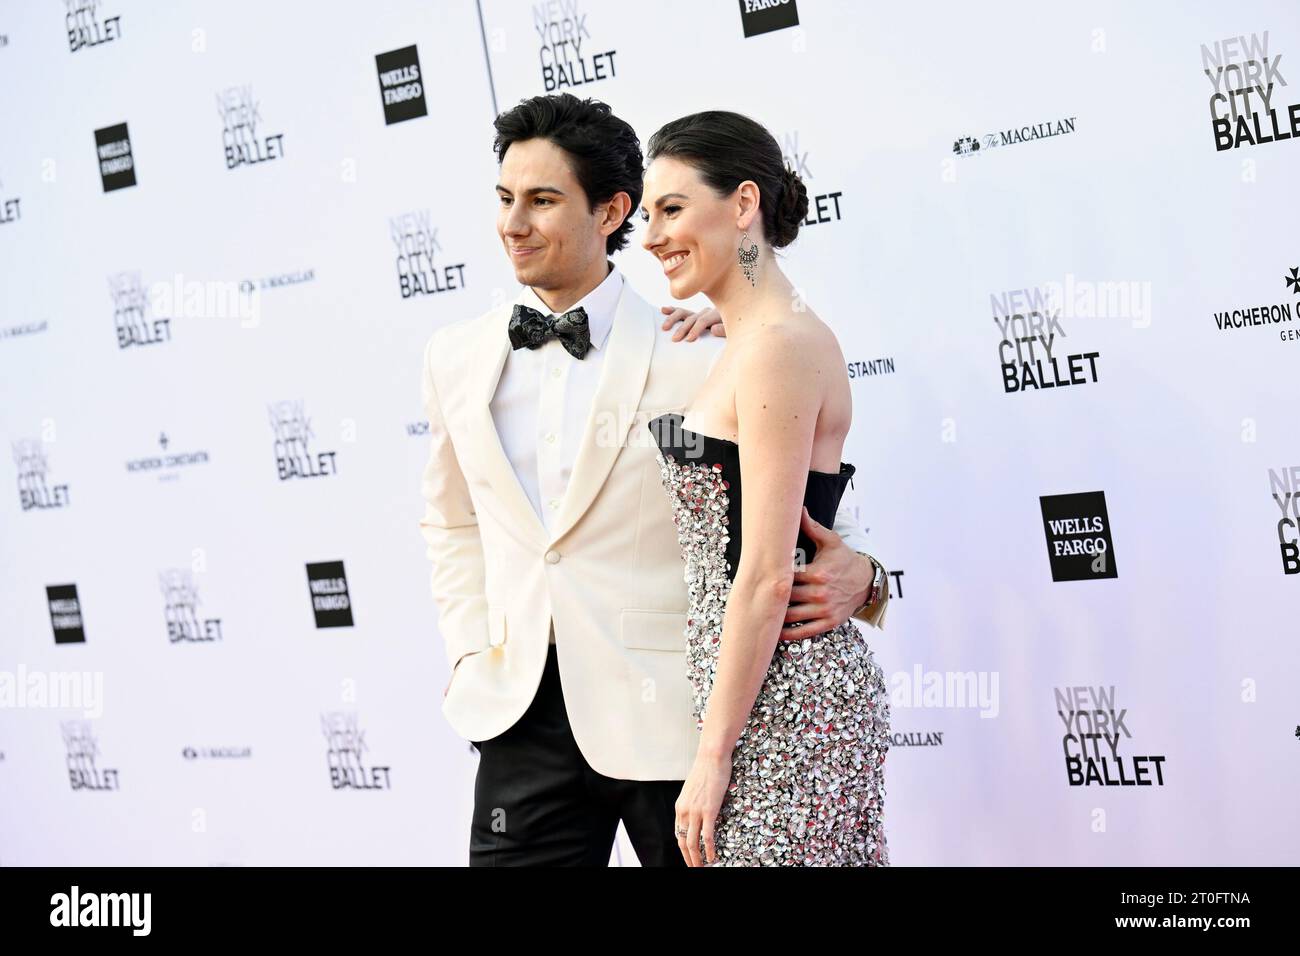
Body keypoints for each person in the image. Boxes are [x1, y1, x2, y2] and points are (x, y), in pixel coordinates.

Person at [418, 93, 889, 867]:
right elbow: (450, 520)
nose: (513, 223)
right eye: (505, 199)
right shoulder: (454, 358)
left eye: (542, 200)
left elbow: (810, 516)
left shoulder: (707, 351)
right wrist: (473, 652)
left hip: (675, 720)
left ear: (611, 212)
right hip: (519, 719)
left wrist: (869, 578)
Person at [641, 110, 891, 866]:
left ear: (743, 204)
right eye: (648, 214)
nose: (651, 235)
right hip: (759, 696)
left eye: (672, 209)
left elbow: (764, 573)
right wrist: (724, 320)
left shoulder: (778, 347)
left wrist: (712, 758)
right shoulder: (760, 337)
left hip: (786, 709)